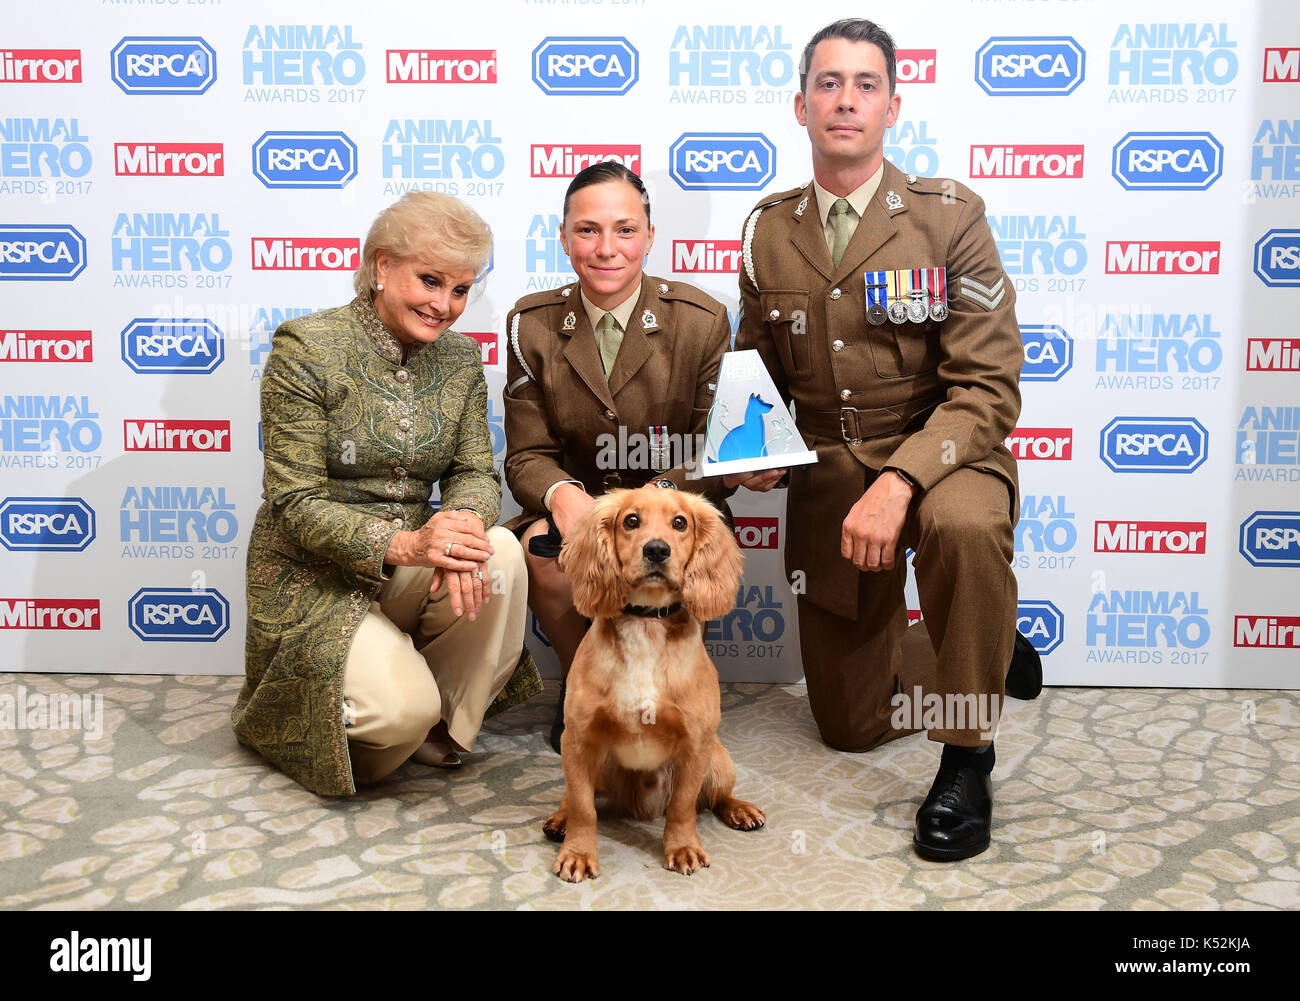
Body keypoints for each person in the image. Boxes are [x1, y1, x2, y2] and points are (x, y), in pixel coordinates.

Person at [730, 18, 1040, 861]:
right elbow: (760, 376)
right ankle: (987, 632)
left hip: (945, 452)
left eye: (866, 84)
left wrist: (901, 483)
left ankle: (968, 755)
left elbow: (986, 388)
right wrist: (757, 448)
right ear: (801, 105)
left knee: (966, 528)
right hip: (831, 474)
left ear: (893, 106)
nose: (846, 100)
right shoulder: (767, 228)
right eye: (828, 83)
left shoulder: (949, 219)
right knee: (851, 727)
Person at [234, 192, 541, 798]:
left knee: (498, 550)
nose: (444, 305)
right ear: (380, 267)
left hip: (411, 566)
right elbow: (293, 501)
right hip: (314, 576)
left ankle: (443, 726)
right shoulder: (307, 348)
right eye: (429, 280)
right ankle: (332, 718)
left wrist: (459, 527)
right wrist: (407, 542)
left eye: (460, 290)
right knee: (394, 715)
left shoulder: (458, 358)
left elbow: (475, 471)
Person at [503, 162, 733, 753]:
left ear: (651, 236)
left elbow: (717, 447)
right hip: (579, 510)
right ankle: (584, 690)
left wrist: (648, 501)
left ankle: (670, 691)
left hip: (673, 507)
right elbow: (527, 455)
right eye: (588, 231)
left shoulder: (702, 320)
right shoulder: (530, 325)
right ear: (563, 237)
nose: (606, 249)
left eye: (625, 230)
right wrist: (562, 497)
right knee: (542, 552)